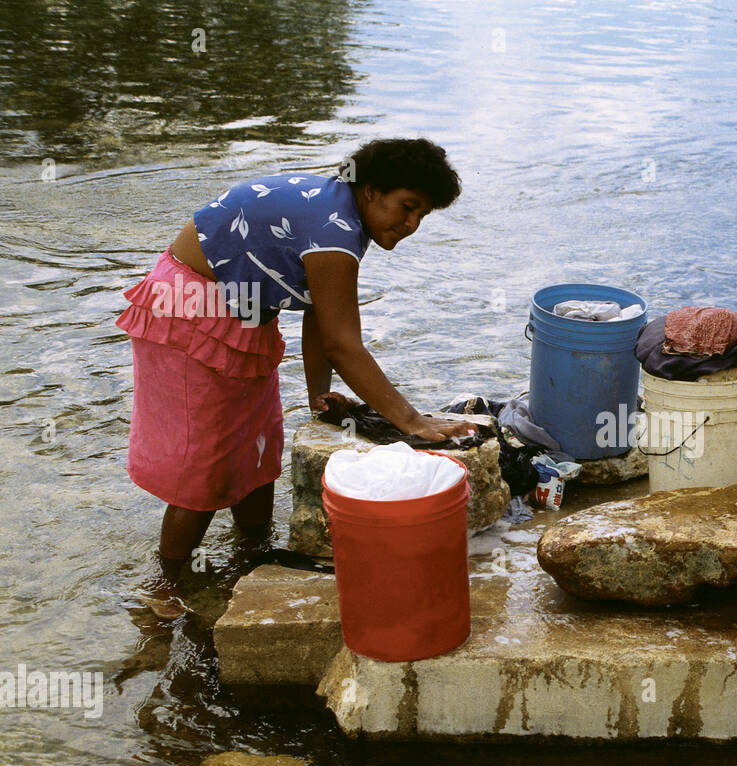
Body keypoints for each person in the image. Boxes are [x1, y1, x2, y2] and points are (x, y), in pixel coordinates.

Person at [116, 138, 475, 610]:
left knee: (257, 445)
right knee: (204, 461)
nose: (410, 225)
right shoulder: (333, 227)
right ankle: (164, 587)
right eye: (406, 207)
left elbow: (319, 314)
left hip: (240, 312)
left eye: (421, 216)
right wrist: (412, 422)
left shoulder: (344, 217)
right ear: (370, 191)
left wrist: (319, 394)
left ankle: (251, 556)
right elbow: (344, 343)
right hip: (191, 311)